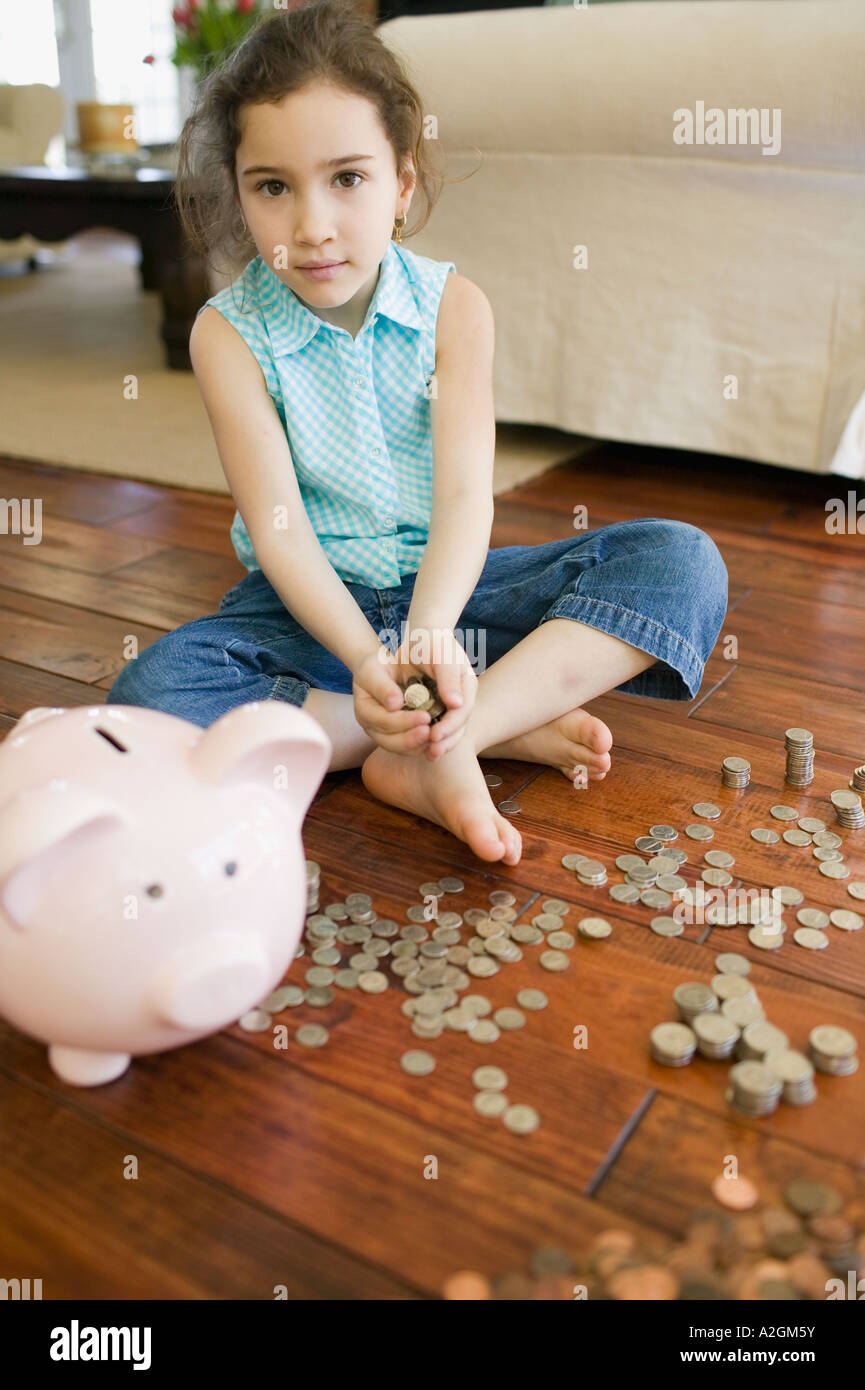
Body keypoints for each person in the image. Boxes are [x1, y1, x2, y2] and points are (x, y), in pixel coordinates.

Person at [107, 0, 728, 867]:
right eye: (273, 187)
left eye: (347, 179)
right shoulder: (226, 332)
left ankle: (443, 738)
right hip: (306, 613)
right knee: (151, 695)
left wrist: (431, 636)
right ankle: (471, 728)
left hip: (455, 599)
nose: (312, 225)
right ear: (239, 194)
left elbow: (468, 497)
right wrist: (365, 656)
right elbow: (279, 531)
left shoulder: (453, 309)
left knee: (681, 563)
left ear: (401, 183)